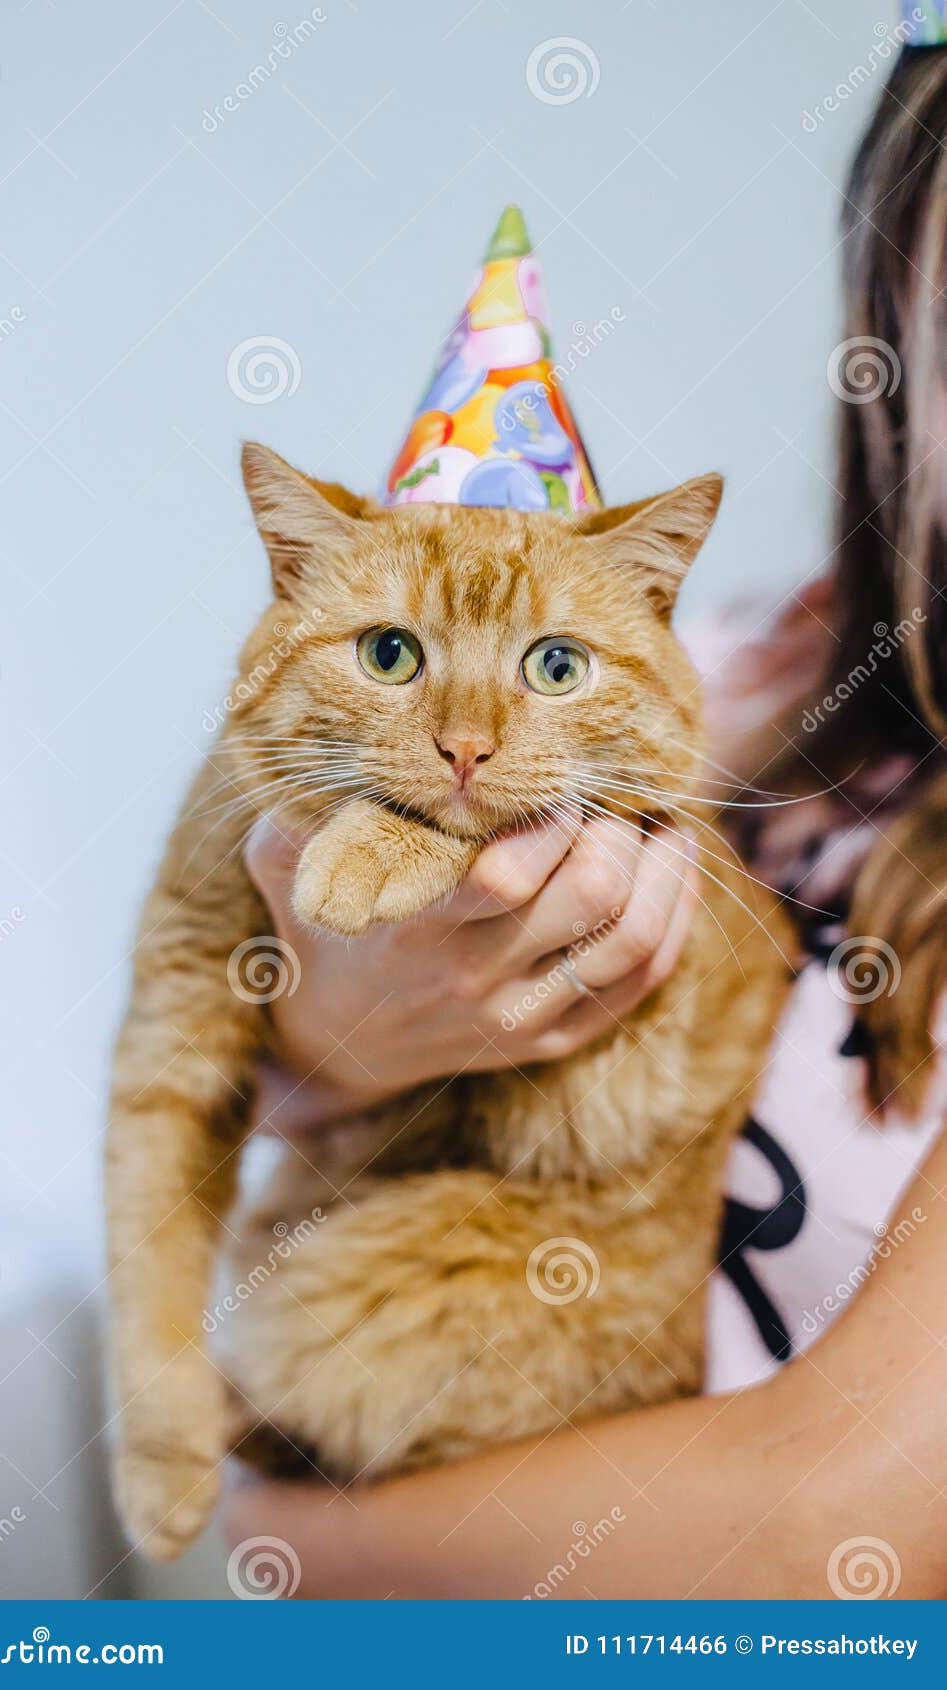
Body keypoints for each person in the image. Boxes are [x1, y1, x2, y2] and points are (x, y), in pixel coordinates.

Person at [224, 39, 947, 1598]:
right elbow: (266, 1064)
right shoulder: (752, 666)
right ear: (894, 342)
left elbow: (846, 1528)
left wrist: (289, 1539)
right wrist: (344, 1023)